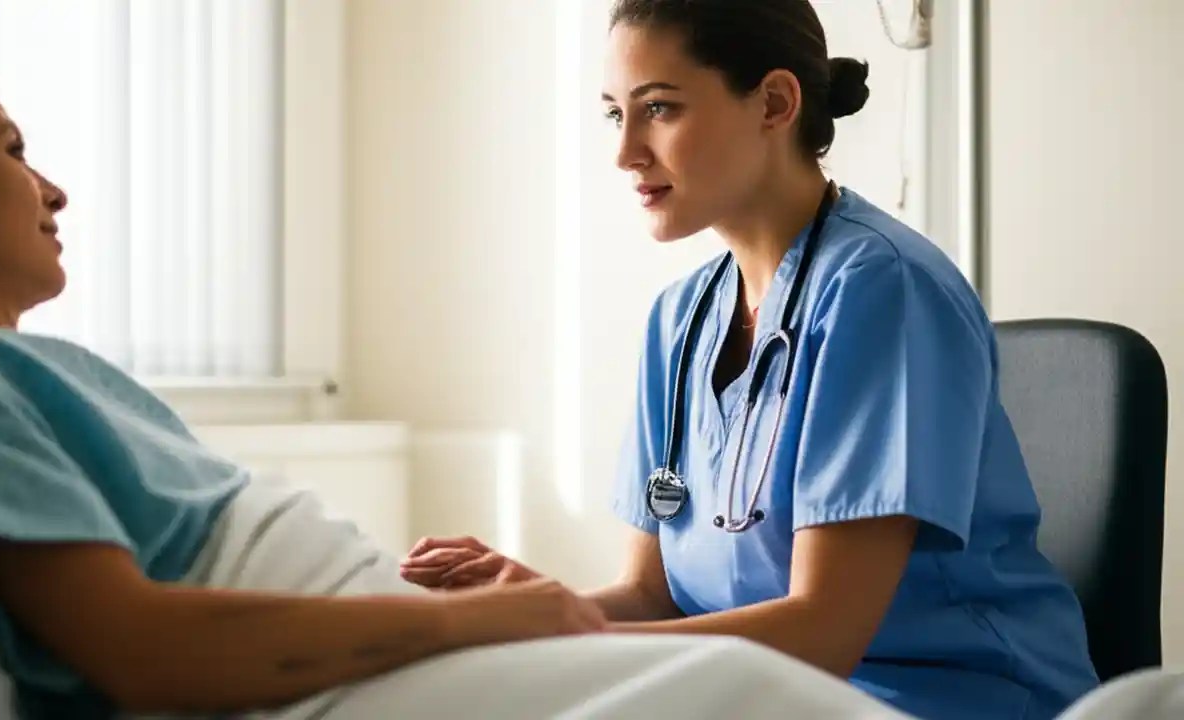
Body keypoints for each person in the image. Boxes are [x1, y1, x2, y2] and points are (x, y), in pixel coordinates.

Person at [401, 1, 1101, 719]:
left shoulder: (881, 290)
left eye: (661, 109)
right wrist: (540, 612)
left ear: (774, 102)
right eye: (617, 114)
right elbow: (652, 597)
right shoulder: (678, 321)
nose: (626, 151)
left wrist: (560, 634)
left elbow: (823, 633)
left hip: (940, 699)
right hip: (765, 697)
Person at [0, 44, 614, 719]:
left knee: (710, 682)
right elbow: (138, 649)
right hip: (322, 676)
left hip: (357, 631)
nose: (53, 193)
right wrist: (466, 620)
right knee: (722, 684)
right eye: (15, 151)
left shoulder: (8, 372)